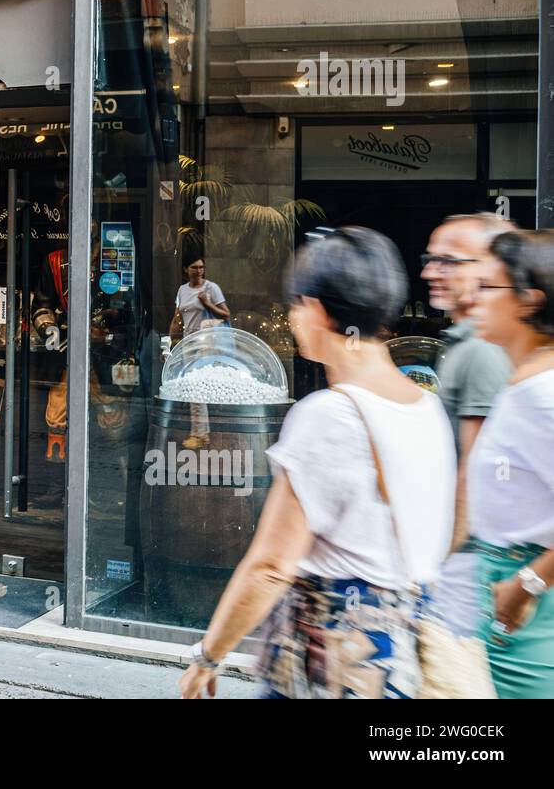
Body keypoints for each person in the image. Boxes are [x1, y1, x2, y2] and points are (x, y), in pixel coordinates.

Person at [179, 227, 455, 699]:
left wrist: (209, 655)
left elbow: (270, 565)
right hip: (400, 658)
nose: (291, 319)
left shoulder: (329, 415)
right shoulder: (426, 408)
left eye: (296, 306)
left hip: (334, 658)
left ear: (317, 311)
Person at [468, 229, 554, 699]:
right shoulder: (525, 382)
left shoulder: (543, 393)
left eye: (488, 287)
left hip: (531, 609)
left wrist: (527, 583)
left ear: (527, 301)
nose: (473, 297)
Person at [421, 213, 515, 637]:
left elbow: (474, 473)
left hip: (470, 563)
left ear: (488, 269)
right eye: (431, 259)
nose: (429, 271)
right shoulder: (466, 343)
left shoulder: (480, 350)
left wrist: (441, 562)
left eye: (448, 261)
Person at [170, 256, 229, 340]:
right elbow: (177, 318)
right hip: (188, 339)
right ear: (186, 269)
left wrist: (208, 304)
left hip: (208, 340)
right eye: (194, 267)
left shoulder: (211, 288)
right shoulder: (182, 289)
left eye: (201, 267)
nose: (198, 271)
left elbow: (226, 315)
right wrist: (172, 339)